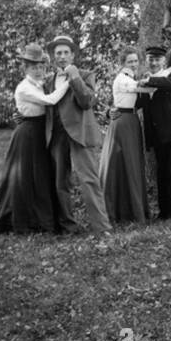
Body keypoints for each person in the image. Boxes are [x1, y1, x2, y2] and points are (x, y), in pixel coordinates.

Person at [0, 43, 72, 233]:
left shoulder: (41, 83)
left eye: (41, 66)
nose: (38, 71)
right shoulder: (24, 88)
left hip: (40, 131)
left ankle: (42, 220)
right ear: (25, 68)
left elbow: (51, 91)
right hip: (27, 134)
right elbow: (50, 100)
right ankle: (19, 220)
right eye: (34, 67)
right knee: (23, 177)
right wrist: (71, 80)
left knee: (40, 176)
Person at [44, 35, 110, 235]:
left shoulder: (86, 74)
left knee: (89, 180)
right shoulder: (48, 80)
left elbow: (87, 101)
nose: (62, 57)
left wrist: (74, 77)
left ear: (73, 55)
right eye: (58, 53)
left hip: (80, 133)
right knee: (60, 182)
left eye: (65, 53)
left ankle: (102, 227)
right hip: (56, 134)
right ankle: (67, 226)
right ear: (53, 57)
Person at [136, 46, 171, 221]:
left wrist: (149, 81)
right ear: (146, 61)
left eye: (157, 59)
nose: (153, 62)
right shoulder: (143, 80)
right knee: (162, 174)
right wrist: (113, 110)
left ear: (163, 61)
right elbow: (135, 102)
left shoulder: (170, 74)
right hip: (158, 136)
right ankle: (164, 212)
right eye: (150, 59)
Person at [99, 47, 148, 225]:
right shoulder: (122, 79)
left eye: (136, 61)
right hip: (123, 121)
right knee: (120, 163)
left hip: (131, 120)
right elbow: (141, 87)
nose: (134, 64)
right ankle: (117, 210)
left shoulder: (130, 78)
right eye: (130, 61)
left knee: (131, 162)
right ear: (122, 63)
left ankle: (130, 207)